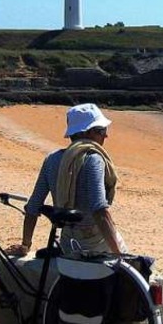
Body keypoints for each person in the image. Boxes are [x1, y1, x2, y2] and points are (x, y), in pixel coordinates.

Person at [7, 103, 128, 257]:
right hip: (96, 243)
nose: (106, 135)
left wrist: (25, 245)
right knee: (135, 267)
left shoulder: (52, 160)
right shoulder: (93, 159)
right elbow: (99, 210)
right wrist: (119, 255)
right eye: (102, 130)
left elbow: (33, 206)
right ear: (90, 132)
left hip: (68, 243)